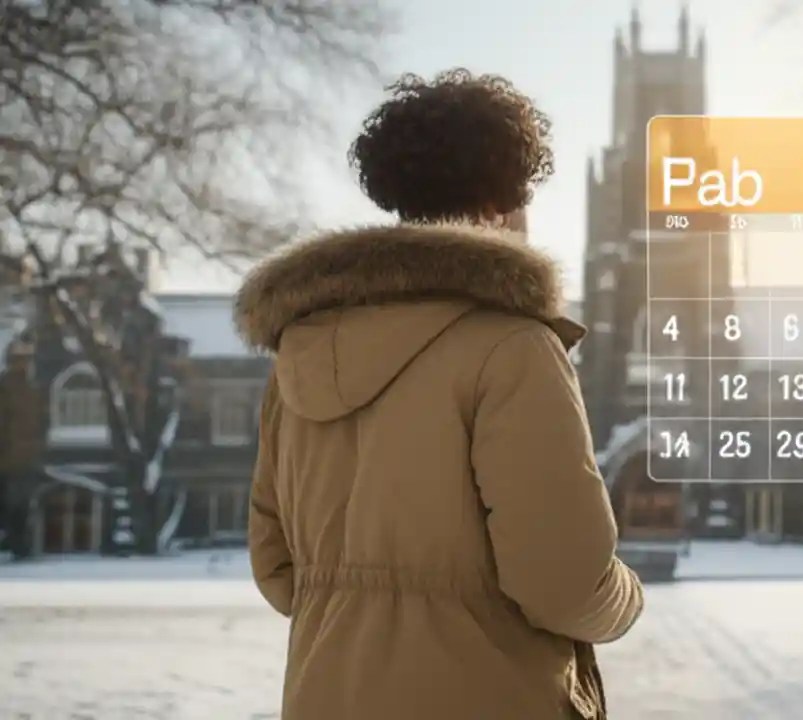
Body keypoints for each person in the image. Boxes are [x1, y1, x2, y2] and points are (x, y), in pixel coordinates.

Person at [235, 69, 644, 720]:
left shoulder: (299, 355)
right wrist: (627, 597)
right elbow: (563, 582)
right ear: (502, 206)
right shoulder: (512, 348)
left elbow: (276, 567)